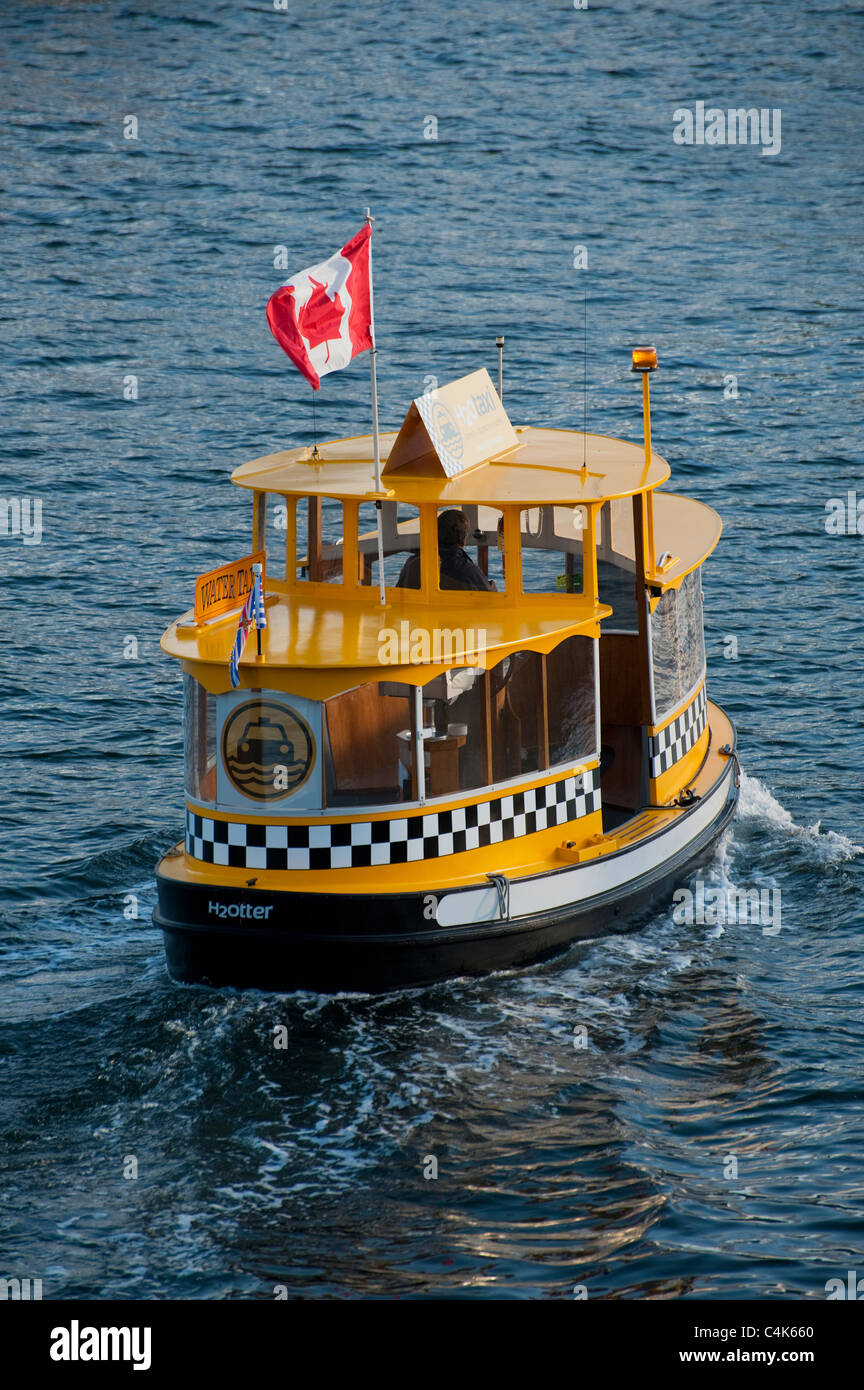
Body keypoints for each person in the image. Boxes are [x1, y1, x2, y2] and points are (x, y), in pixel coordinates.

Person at [396, 509, 496, 591]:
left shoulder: (413, 564)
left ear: (435, 533)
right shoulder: (471, 573)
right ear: (463, 540)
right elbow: (491, 599)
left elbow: (399, 591)